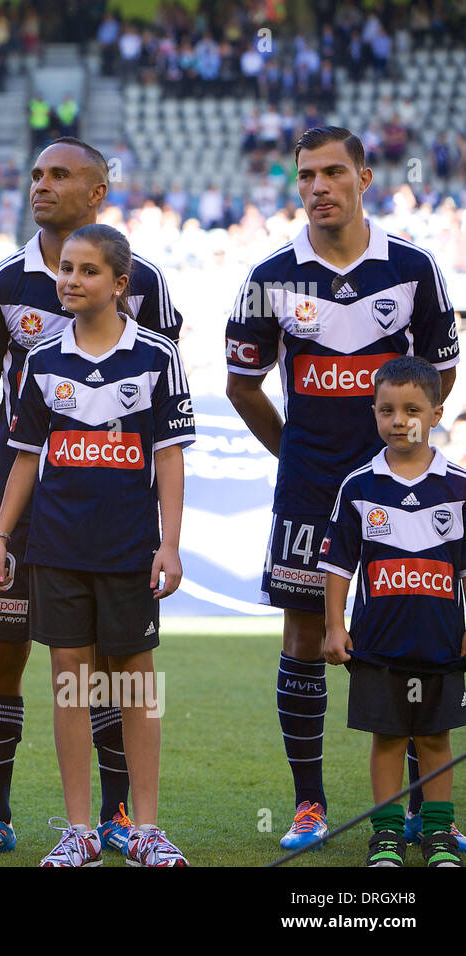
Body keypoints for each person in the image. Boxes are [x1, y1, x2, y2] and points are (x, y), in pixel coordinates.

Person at [226, 126, 459, 851]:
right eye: (305, 177)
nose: (318, 187)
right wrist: (292, 450)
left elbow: (440, 373)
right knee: (303, 637)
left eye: (332, 173)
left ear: (363, 177)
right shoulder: (270, 276)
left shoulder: (415, 268)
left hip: (404, 490)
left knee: (419, 638)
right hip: (310, 487)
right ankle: (309, 804)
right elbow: (242, 384)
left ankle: (426, 812)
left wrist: (405, 448)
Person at [0, 137, 182, 858]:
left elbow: (160, 422)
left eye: (60, 175)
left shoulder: (147, 287)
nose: (40, 184)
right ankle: (0, 815)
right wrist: (39, 462)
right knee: (9, 655)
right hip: (30, 509)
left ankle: (124, 819)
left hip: (116, 516)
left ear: (98, 193)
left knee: (121, 668)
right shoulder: (1, 285)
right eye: (36, 173)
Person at [319, 356, 465, 867]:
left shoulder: (459, 487)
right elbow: (337, 566)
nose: (398, 420)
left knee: (434, 737)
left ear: (437, 412)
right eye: (386, 410)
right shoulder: (359, 486)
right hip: (377, 643)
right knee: (387, 738)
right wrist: (335, 626)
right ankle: (385, 836)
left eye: (411, 409)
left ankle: (440, 833)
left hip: (441, 641)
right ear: (374, 413)